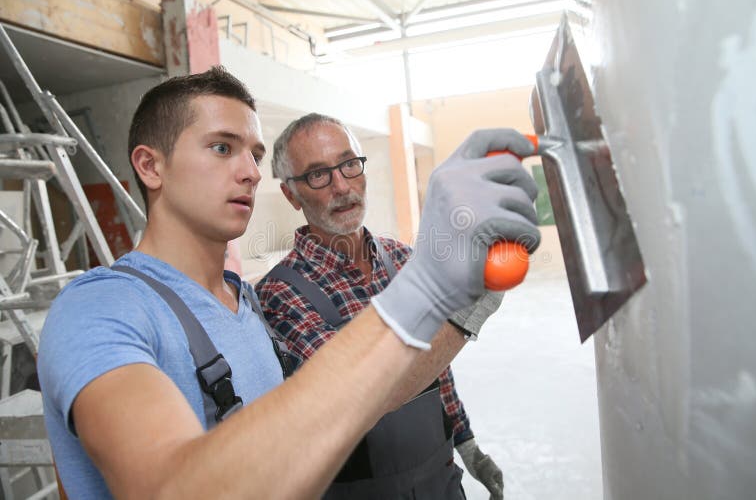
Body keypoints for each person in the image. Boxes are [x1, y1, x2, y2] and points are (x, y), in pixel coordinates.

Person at [37, 66, 540, 499]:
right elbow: (175, 489)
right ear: (150, 165)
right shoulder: (98, 308)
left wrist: (464, 438)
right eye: (221, 147)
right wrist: (438, 289)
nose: (249, 172)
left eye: (253, 154)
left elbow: (330, 416)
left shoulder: (246, 305)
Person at [256, 113, 504, 499]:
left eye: (349, 164)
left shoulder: (403, 260)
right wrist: (467, 307)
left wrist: (466, 442)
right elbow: (360, 392)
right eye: (319, 175)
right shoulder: (281, 294)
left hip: (440, 479)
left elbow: (436, 368)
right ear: (291, 194)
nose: (342, 185)